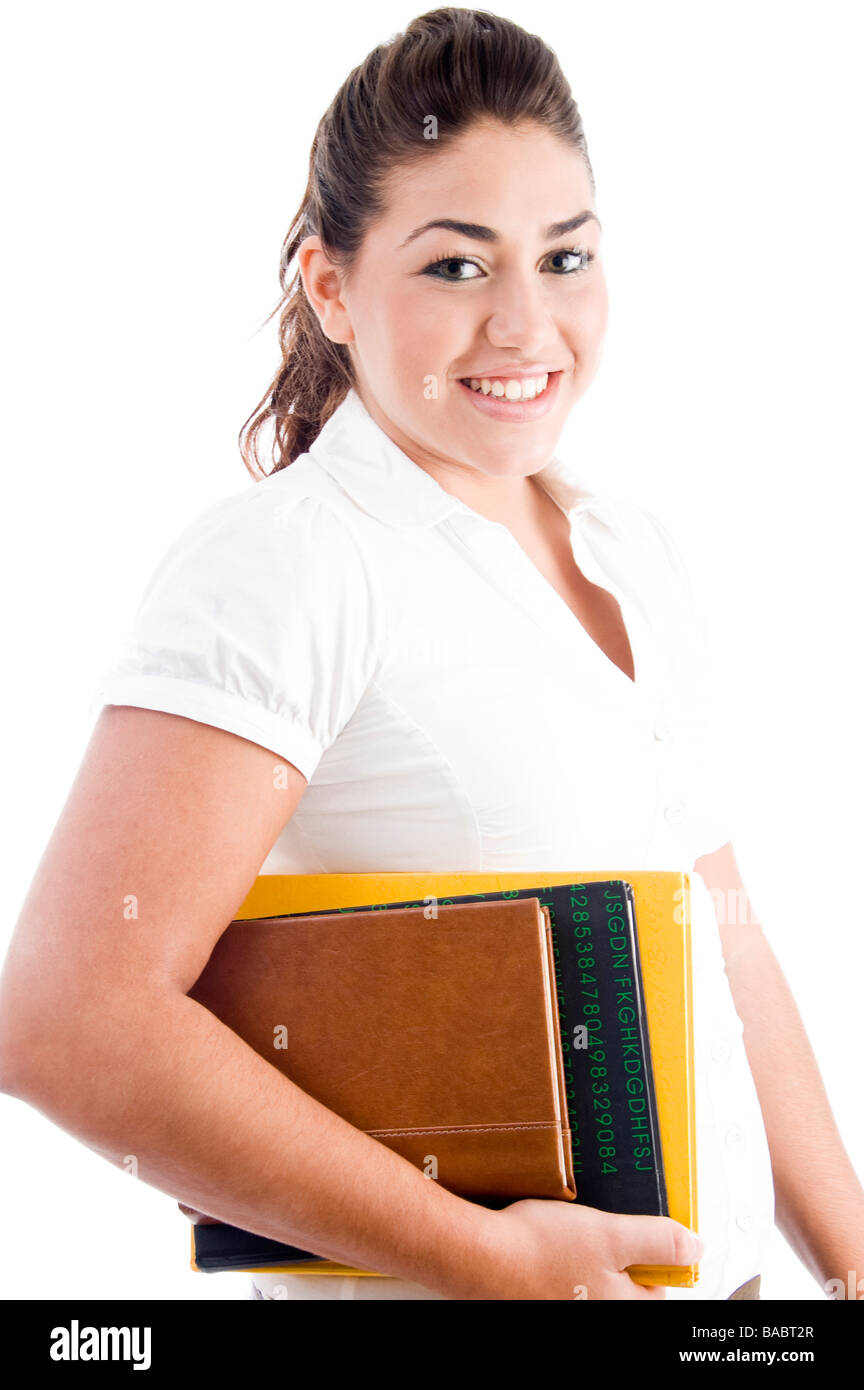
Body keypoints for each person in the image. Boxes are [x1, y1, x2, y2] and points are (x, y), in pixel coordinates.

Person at [1, 7, 862, 1303]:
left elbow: (724, 939)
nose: (527, 325)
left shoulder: (632, 548)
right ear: (330, 287)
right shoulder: (293, 564)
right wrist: (493, 1258)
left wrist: (850, 1261)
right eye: (458, 267)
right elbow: (69, 1020)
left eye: (565, 258)